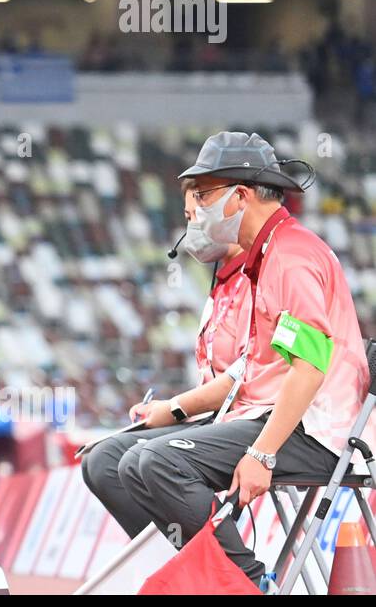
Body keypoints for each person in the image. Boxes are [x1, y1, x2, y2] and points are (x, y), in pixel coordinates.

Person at [117, 131, 369, 583]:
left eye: (206, 193)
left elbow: (310, 368)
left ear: (240, 196)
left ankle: (248, 585)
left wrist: (262, 455)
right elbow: (253, 368)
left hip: (316, 433)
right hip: (281, 417)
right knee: (133, 462)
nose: (194, 208)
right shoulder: (268, 255)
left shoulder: (290, 257)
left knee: (157, 462)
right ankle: (207, 578)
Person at [81, 179, 249, 537]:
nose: (191, 229)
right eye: (188, 218)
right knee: (101, 461)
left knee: (146, 460)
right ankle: (178, 565)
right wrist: (171, 408)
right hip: (220, 419)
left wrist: (175, 408)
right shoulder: (220, 283)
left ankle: (224, 567)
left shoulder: (258, 275)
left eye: (196, 215)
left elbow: (244, 377)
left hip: (253, 421)